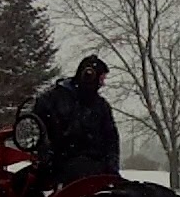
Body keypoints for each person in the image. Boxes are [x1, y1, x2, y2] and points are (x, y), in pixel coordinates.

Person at [31, 55, 120, 186]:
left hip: (91, 165)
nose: (102, 84)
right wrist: (46, 157)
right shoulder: (52, 99)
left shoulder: (101, 106)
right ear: (90, 75)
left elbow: (111, 139)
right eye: (101, 79)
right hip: (57, 164)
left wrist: (111, 168)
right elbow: (36, 129)